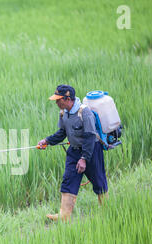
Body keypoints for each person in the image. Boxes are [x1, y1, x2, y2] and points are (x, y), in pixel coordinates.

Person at [38, 84, 108, 222]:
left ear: (68, 98)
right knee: (69, 179)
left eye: (59, 100)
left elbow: (89, 136)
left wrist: (84, 159)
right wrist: (47, 141)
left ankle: (106, 211)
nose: (57, 102)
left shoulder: (84, 113)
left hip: (92, 150)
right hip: (74, 150)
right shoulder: (64, 113)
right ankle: (64, 215)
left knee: (99, 181)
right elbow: (62, 133)